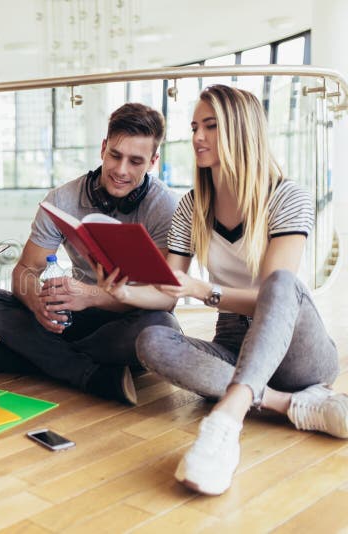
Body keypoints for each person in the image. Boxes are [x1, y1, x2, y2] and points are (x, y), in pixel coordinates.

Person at [97, 85, 348, 496]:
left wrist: (204, 290)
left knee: (282, 282)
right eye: (195, 126)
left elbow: (273, 295)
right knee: (153, 339)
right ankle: (294, 405)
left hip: (296, 350)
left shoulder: (288, 196)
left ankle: (226, 420)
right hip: (234, 341)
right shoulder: (191, 206)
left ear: (242, 131)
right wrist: (124, 294)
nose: (197, 137)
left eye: (210, 126)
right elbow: (167, 291)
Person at [0, 103, 180, 404]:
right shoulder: (62, 199)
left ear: (153, 162)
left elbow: (162, 294)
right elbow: (25, 271)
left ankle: (35, 358)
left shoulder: (165, 207)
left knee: (163, 328)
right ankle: (87, 372)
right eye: (115, 155)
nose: (121, 170)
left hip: (130, 318)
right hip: (76, 315)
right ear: (103, 148)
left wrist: (92, 294)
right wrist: (37, 306)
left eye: (136, 161)